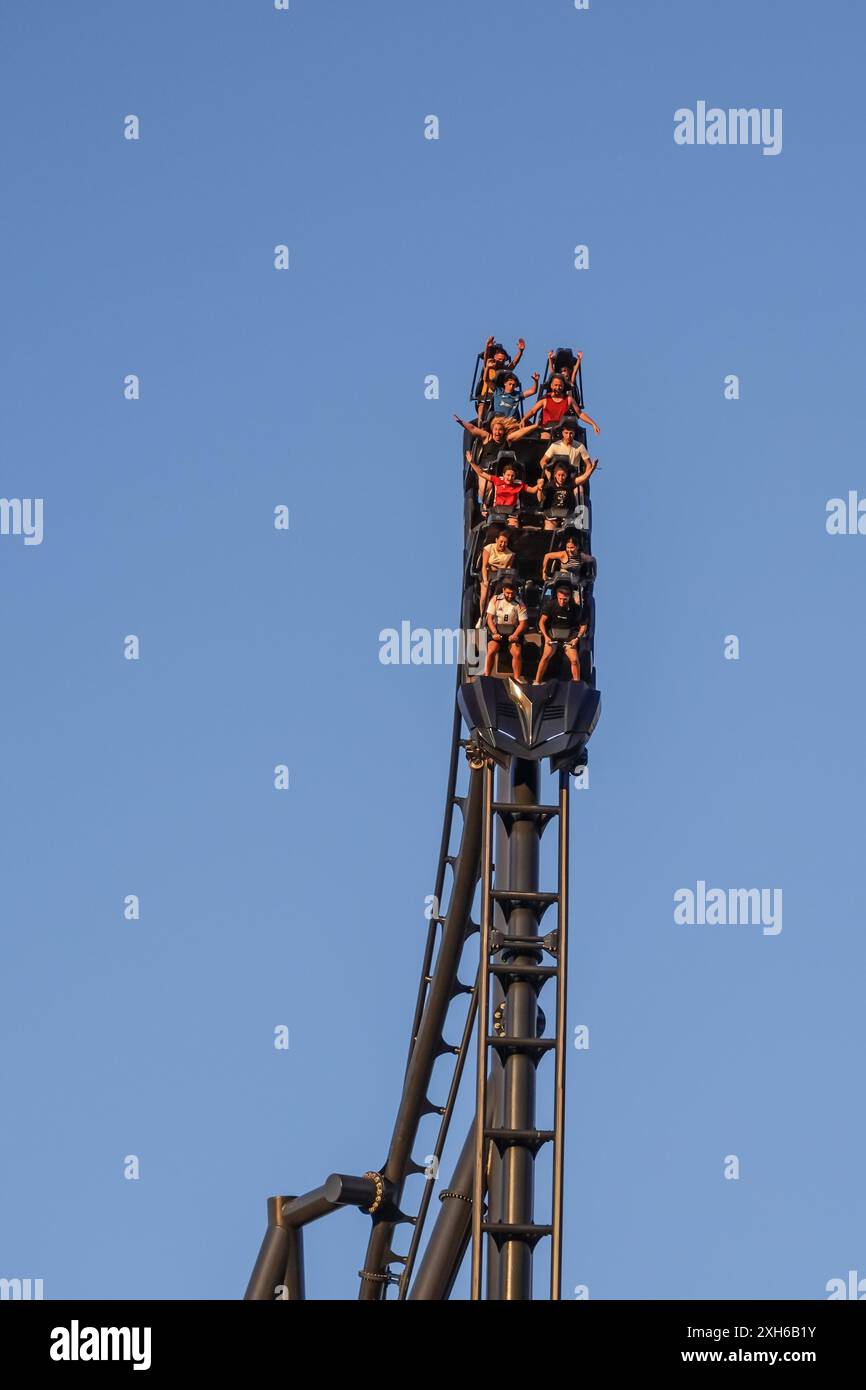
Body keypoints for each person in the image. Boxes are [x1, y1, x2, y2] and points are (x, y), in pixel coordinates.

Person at [534, 580, 588, 684]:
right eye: (560, 599)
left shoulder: (576, 609)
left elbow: (583, 625)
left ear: (569, 598)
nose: (562, 602)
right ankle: (537, 681)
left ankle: (576, 684)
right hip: (552, 636)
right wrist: (546, 637)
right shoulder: (551, 605)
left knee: (574, 660)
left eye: (564, 599)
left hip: (569, 637)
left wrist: (577, 638)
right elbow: (541, 622)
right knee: (545, 657)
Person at [467, 457, 543, 525]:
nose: (510, 478)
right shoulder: (497, 480)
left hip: (512, 512)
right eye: (508, 475)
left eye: (512, 476)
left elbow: (532, 490)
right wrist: (471, 462)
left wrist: (538, 485)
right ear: (503, 475)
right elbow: (481, 473)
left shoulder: (519, 484)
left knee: (513, 525)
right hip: (497, 511)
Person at [523, 375, 601, 440]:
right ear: (551, 386)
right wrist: (524, 420)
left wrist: (593, 424)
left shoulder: (569, 399)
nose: (558, 387)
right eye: (556, 385)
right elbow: (533, 411)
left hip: (561, 430)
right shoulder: (545, 398)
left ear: (563, 386)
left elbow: (580, 414)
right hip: (546, 429)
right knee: (545, 438)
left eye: (560, 385)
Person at [485, 579, 527, 680]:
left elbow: (523, 623)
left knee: (517, 653)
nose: (510, 595)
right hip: (497, 631)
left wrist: (515, 635)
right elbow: (489, 618)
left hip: (512, 633)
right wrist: (494, 632)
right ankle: (486, 676)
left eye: (512, 593)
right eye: (508, 593)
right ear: (503, 590)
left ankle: (517, 679)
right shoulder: (495, 599)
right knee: (491, 650)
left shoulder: (519, 604)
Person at [477, 336, 525, 419]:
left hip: (501, 397)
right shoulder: (489, 366)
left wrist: (520, 351)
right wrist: (487, 347)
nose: (501, 361)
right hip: (487, 396)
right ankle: (480, 424)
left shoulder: (505, 370)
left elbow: (514, 363)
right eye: (499, 359)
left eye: (503, 360)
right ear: (494, 357)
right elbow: (486, 357)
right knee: (481, 408)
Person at [479, 528, 515, 612]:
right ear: (496, 540)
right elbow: (484, 566)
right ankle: (482, 615)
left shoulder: (510, 554)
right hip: (488, 572)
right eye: (501, 541)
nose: (503, 544)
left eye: (505, 542)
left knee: (497, 596)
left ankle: (493, 614)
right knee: (484, 595)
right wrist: (485, 581)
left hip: (501, 575)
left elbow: (508, 569)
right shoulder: (489, 548)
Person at [538, 463, 578, 531]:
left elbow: (583, 478)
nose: (561, 478)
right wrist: (539, 489)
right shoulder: (549, 486)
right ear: (555, 475)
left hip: (567, 515)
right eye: (559, 475)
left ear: (566, 475)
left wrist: (591, 469)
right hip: (551, 515)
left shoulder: (570, 484)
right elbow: (540, 499)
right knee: (549, 529)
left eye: (563, 475)